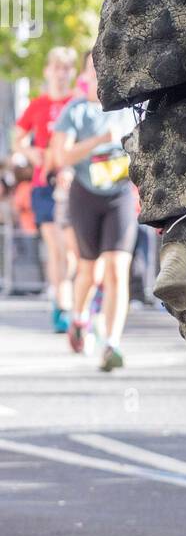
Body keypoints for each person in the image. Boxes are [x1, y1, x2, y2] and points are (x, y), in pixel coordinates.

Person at [50, 52, 139, 371]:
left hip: (120, 195)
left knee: (116, 268)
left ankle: (111, 343)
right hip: (85, 194)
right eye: (95, 67)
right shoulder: (76, 111)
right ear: (88, 71)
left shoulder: (128, 108)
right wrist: (101, 140)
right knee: (89, 270)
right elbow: (61, 156)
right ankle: (78, 318)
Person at [12, 47, 78, 331]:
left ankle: (70, 294)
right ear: (48, 71)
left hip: (73, 184)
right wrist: (30, 154)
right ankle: (61, 303)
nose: (61, 73)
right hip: (43, 184)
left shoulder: (75, 104)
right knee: (55, 247)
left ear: (72, 73)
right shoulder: (36, 105)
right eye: (57, 68)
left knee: (72, 251)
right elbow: (17, 139)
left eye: (66, 68)